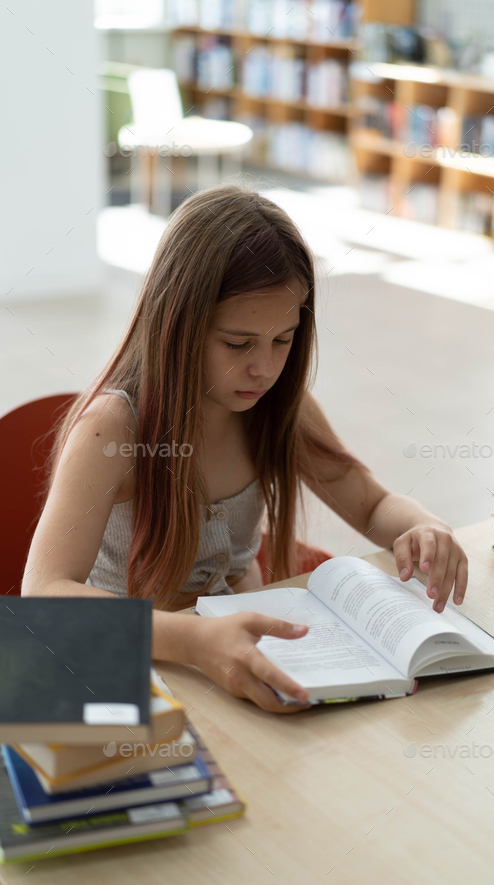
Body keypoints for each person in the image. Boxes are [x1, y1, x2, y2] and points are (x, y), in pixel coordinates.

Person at [22, 184, 468, 714]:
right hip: (131, 666)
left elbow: (370, 505)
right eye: (238, 344)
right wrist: (192, 640)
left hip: (241, 662)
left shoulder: (280, 408)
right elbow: (46, 592)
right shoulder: (113, 430)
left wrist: (422, 527)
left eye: (284, 339)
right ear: (177, 326)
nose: (265, 368)